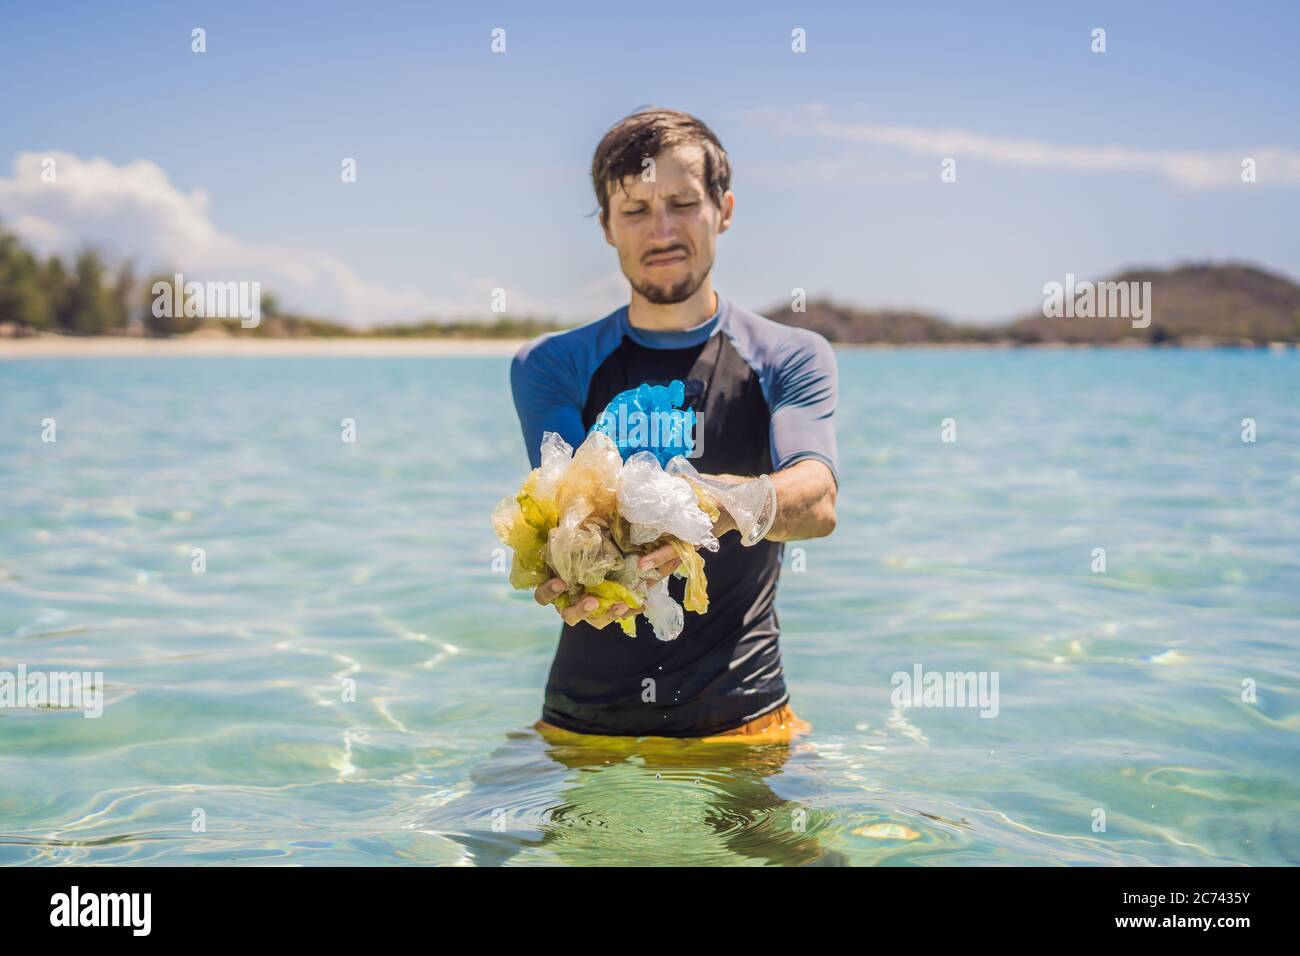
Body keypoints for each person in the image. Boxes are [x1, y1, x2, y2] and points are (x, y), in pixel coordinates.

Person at [510, 107, 839, 741]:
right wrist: (573, 567)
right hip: (584, 723)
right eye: (634, 210)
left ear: (725, 209)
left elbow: (819, 501)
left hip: (744, 718)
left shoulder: (787, 355)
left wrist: (718, 503)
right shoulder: (550, 364)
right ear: (607, 226)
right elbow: (567, 512)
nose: (661, 230)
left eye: (683, 203)